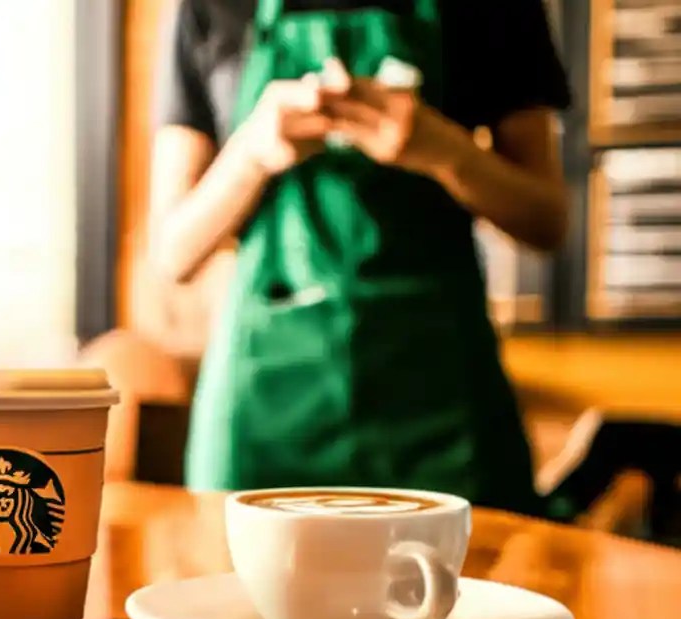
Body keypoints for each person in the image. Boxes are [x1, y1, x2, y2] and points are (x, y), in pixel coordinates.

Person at [149, 0, 572, 516]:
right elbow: (173, 252)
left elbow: (548, 219)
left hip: (440, 401)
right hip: (265, 411)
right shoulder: (208, 8)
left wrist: (446, 152)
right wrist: (252, 153)